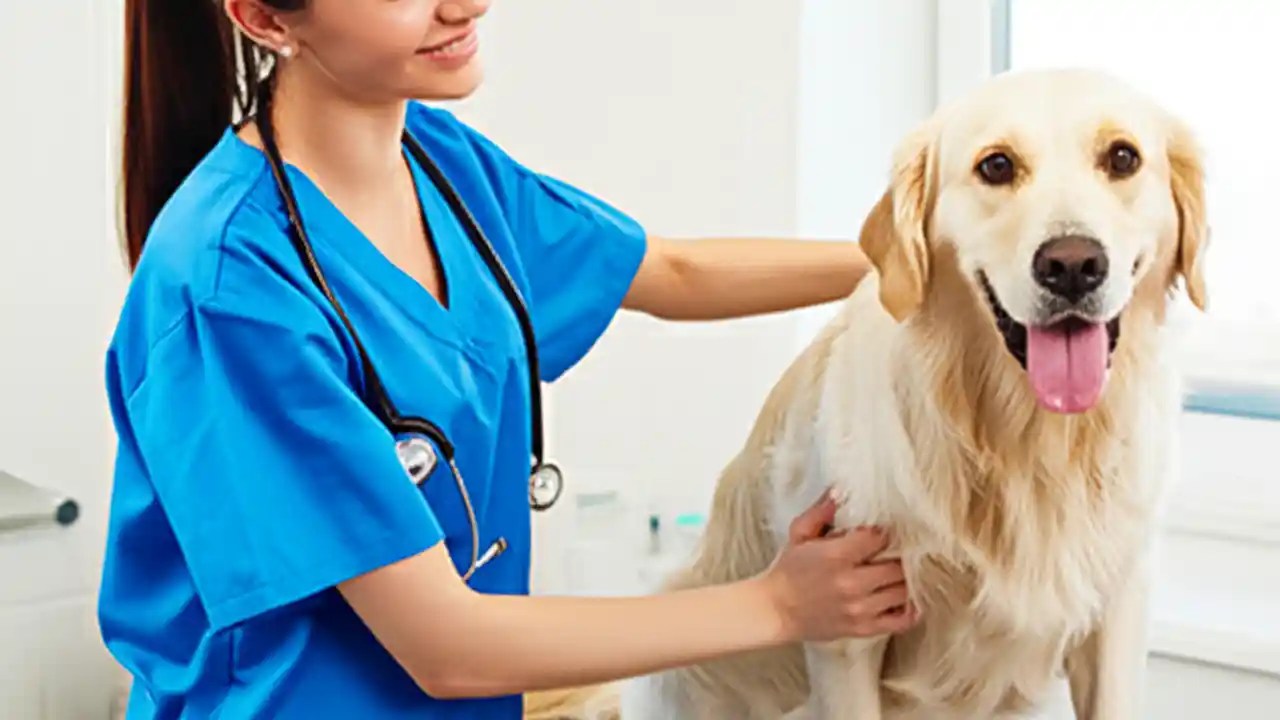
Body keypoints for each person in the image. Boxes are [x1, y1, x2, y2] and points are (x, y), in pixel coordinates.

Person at [98, 0, 919, 717]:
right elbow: (448, 646)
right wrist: (779, 605)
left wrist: (919, 257)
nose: (469, 5)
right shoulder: (229, 286)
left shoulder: (444, 167)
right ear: (266, 18)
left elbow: (671, 272)